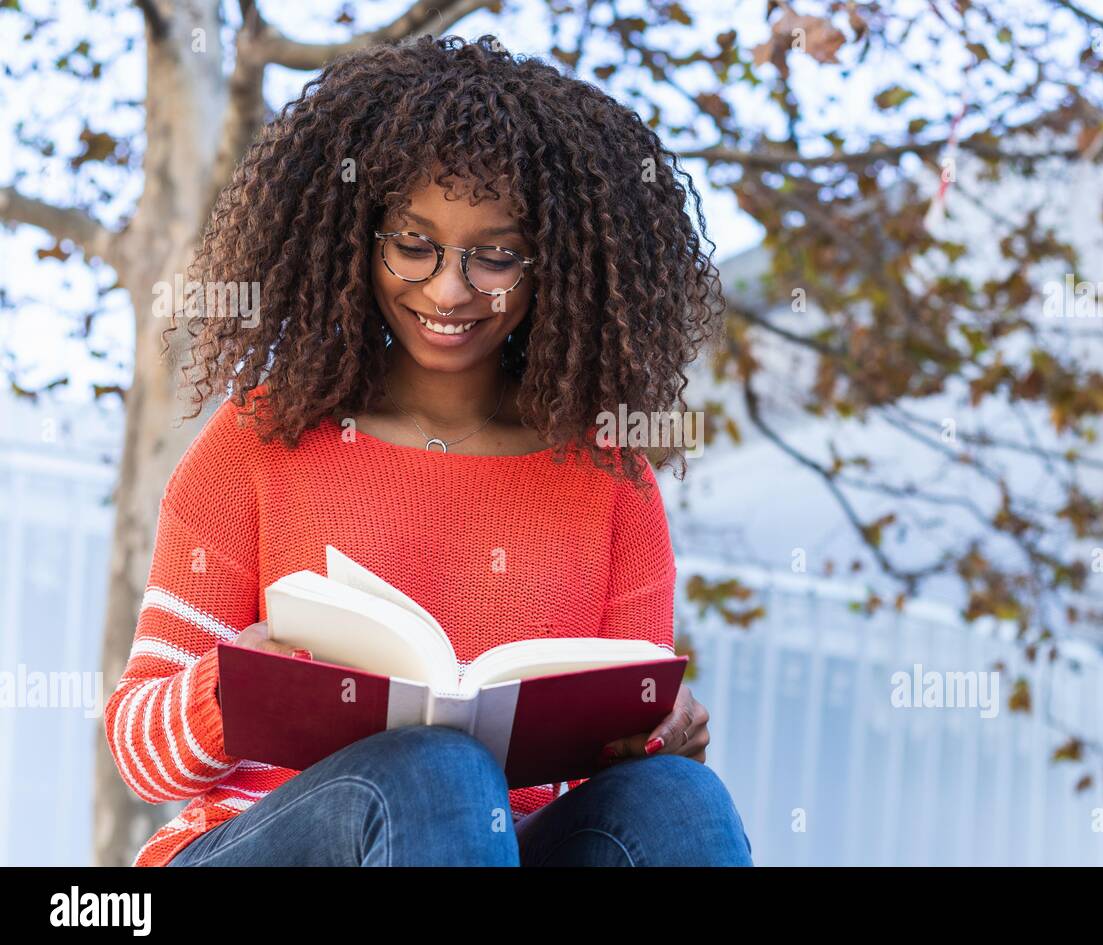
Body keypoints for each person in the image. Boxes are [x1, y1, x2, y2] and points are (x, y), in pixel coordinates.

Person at [102, 32, 752, 867]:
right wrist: (228, 691)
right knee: (437, 770)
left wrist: (667, 738)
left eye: (496, 257)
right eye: (414, 246)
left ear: (554, 265)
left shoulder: (608, 480)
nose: (449, 290)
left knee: (682, 799)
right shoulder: (262, 440)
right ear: (357, 240)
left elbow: (612, 781)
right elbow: (138, 753)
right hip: (260, 849)